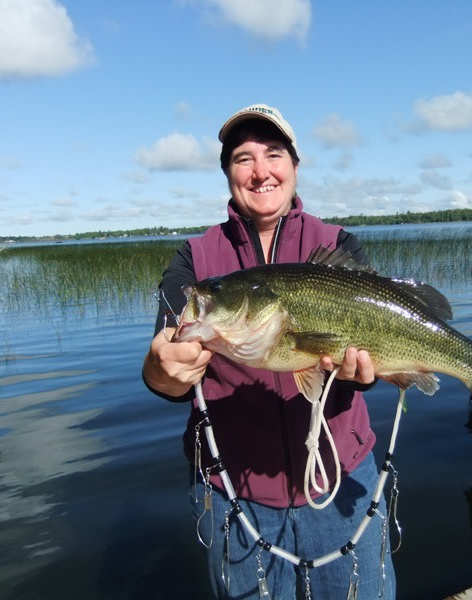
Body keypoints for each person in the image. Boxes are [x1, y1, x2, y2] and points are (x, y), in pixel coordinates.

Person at [142, 104, 396, 599]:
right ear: (228, 175)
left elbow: (363, 369)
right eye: (243, 158)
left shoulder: (338, 245)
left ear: (295, 167)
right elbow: (165, 372)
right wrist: (162, 367)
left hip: (339, 479)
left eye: (273, 154)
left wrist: (363, 374)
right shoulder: (194, 263)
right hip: (233, 492)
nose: (261, 171)